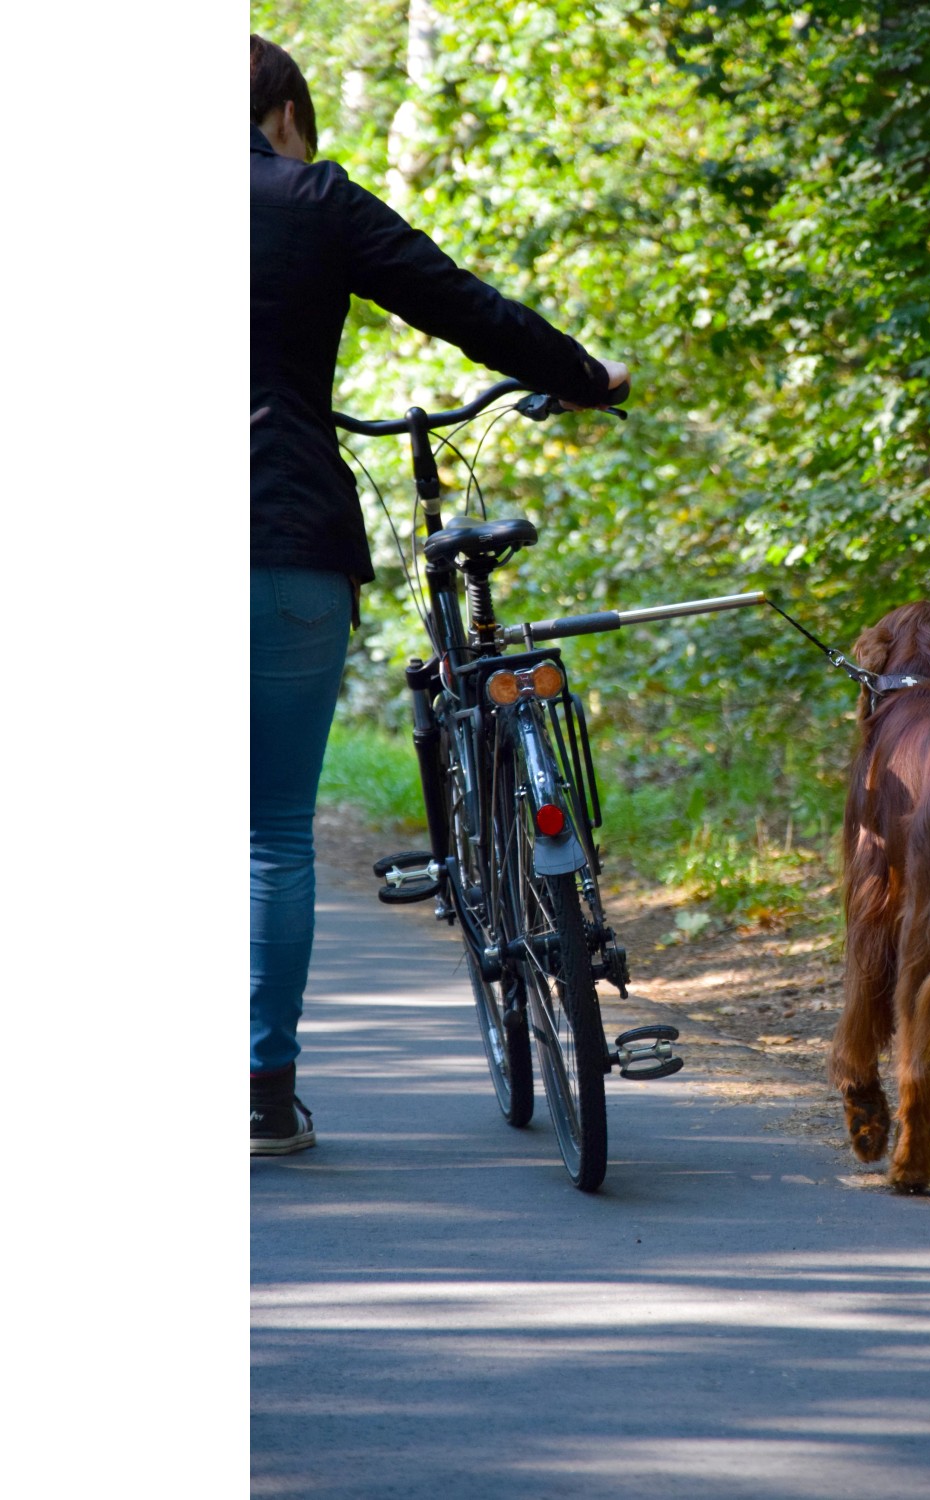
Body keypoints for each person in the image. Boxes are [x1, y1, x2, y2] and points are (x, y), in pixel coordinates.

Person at [250, 35, 628, 1153]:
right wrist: (581, 375)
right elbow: (457, 301)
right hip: (285, 534)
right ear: (278, 109)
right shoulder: (309, 196)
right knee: (271, 833)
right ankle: (262, 1098)